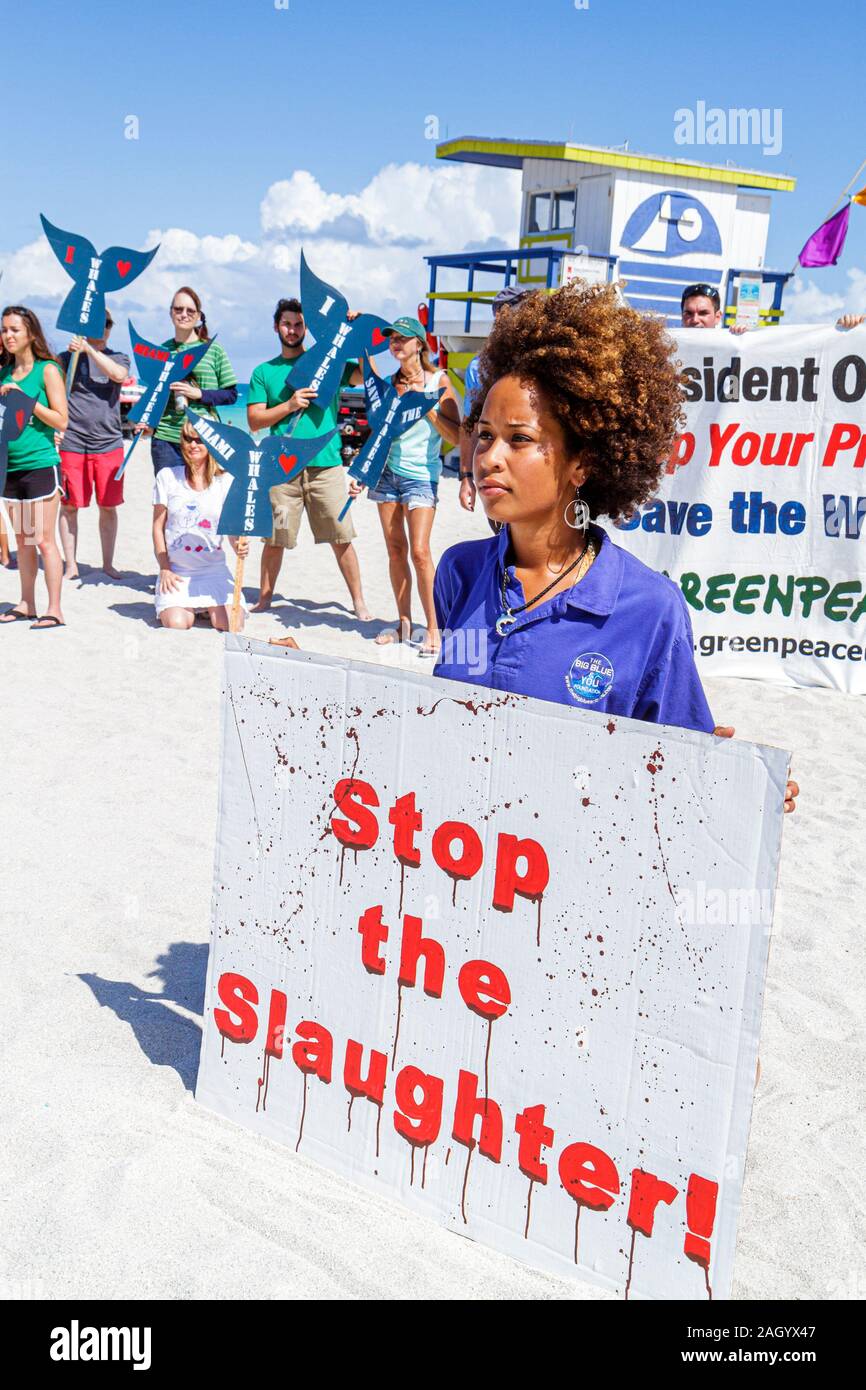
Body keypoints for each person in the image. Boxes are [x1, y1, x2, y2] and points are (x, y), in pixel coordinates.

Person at [434, 281, 798, 812]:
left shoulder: (649, 609)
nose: (488, 457)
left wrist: (734, 783)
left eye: (520, 439)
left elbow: (674, 771)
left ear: (583, 462)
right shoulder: (459, 574)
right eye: (484, 435)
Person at [248, 297, 371, 619]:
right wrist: (289, 405)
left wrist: (354, 333)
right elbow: (254, 421)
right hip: (282, 471)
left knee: (341, 537)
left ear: (307, 328)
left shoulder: (326, 363)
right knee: (275, 537)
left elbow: (363, 374)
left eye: (298, 324)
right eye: (287, 323)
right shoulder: (264, 371)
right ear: (277, 326)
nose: (293, 329)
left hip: (326, 466)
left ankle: (359, 602)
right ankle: (264, 599)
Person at [349, 315, 461, 656]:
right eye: (392, 338)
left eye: (403, 338)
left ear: (419, 345)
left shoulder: (438, 381)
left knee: (421, 552)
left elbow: (456, 436)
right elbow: (379, 434)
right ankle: (403, 624)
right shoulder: (387, 384)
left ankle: (434, 629)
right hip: (386, 475)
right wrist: (355, 326)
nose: (396, 343)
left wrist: (425, 408)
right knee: (395, 550)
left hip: (421, 476)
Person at [0, 305, 68, 628]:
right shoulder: (3, 372)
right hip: (10, 467)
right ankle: (27, 603)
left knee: (43, 539)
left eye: (14, 329)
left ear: (30, 334)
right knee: (23, 541)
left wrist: (26, 401)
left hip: (41, 464)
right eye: (4, 330)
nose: (8, 335)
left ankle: (54, 609)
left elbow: (61, 419)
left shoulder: (47, 370)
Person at [152, 418, 248, 631]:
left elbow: (232, 529)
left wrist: (238, 544)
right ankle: (195, 607)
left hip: (214, 570)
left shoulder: (225, 481)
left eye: (199, 440)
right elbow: (158, 527)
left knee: (230, 625)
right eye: (188, 439)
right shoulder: (167, 477)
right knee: (178, 624)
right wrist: (164, 568)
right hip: (178, 571)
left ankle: (207, 608)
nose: (193, 445)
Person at [57, 311, 129, 579]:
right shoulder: (66, 359)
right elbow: (51, 389)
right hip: (73, 441)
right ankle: (71, 564)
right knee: (69, 505)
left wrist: (89, 348)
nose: (103, 329)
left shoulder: (118, 357)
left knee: (108, 506)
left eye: (107, 324)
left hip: (109, 443)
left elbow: (119, 375)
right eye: (98, 323)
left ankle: (107, 564)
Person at [138, 286, 238, 473]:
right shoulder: (161, 351)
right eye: (178, 309)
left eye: (190, 311)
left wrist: (198, 394)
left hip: (203, 436)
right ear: (170, 313)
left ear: (199, 315)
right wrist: (146, 422)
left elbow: (231, 395)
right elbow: (154, 397)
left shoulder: (213, 349)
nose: (184, 314)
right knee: (168, 499)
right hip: (166, 438)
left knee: (204, 499)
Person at [459, 285, 529, 514]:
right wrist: (466, 476)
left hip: (534, 469)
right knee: (504, 537)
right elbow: (470, 425)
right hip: (500, 471)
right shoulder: (479, 368)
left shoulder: (547, 362)